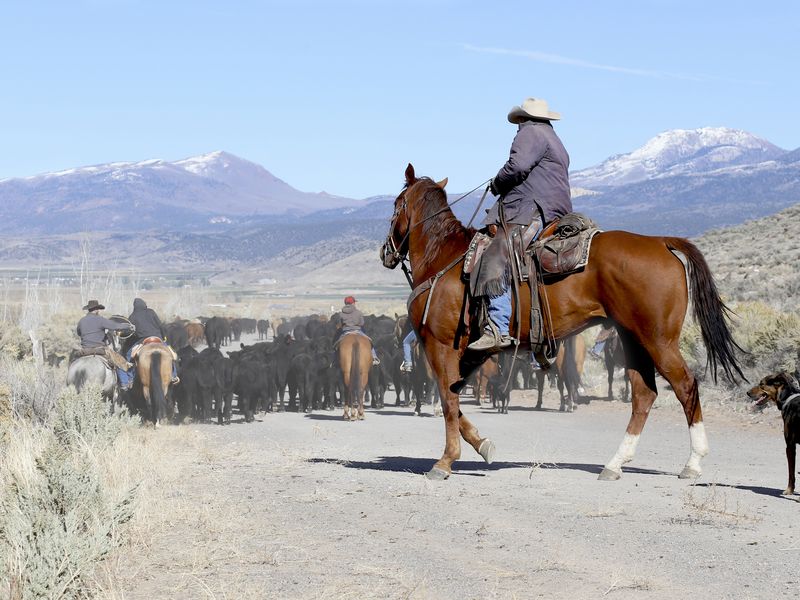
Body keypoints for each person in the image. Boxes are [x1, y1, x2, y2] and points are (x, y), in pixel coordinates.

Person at [468, 97, 573, 352]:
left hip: (532, 208)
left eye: (519, 122)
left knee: (495, 258)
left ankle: (498, 327)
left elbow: (518, 166)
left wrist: (497, 183)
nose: (517, 127)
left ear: (524, 119)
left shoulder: (530, 133)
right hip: (556, 208)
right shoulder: (554, 138)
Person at [119, 297, 179, 390]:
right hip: (158, 338)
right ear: (144, 305)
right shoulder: (151, 312)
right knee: (170, 355)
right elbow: (160, 325)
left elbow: (131, 333)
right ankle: (174, 375)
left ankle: (129, 379)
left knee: (128, 357)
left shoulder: (132, 316)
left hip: (142, 341)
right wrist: (164, 338)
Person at [75, 299, 134, 382]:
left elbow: (79, 333)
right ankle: (124, 383)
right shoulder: (100, 320)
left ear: (89, 309)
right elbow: (115, 326)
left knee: (73, 361)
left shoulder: (81, 321)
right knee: (119, 361)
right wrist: (128, 326)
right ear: (96, 310)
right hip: (100, 349)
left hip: (85, 350)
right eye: (98, 309)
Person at [333, 296, 380, 365]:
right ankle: (374, 358)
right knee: (370, 342)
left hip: (346, 332)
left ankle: (334, 360)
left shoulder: (341, 314)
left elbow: (340, 325)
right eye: (354, 302)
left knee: (336, 346)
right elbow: (362, 323)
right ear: (353, 303)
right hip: (358, 331)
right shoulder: (358, 312)